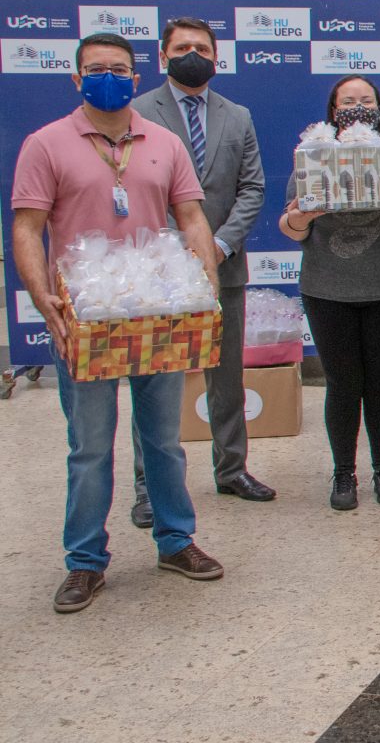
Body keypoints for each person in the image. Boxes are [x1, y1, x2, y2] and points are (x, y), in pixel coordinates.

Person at [11, 31, 225, 614]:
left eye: (119, 68)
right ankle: (84, 561)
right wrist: (42, 295)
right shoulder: (46, 144)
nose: (109, 76)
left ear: (136, 77)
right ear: (77, 80)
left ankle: (176, 541)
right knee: (90, 446)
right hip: (87, 320)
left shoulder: (164, 142)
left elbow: (191, 218)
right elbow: (28, 228)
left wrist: (204, 286)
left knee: (162, 440)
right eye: (96, 68)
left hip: (157, 313)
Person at [125, 17, 273, 532]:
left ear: (217, 57)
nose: (194, 54)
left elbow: (252, 188)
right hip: (158, 270)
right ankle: (150, 486)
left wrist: (218, 244)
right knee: (155, 383)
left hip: (224, 267)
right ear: (163, 54)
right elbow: (129, 190)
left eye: (202, 48)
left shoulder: (238, 115)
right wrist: (178, 246)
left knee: (226, 377)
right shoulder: (137, 112)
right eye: (182, 47)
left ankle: (232, 469)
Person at [280, 76, 380, 511]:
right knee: (343, 384)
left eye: (365, 100)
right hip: (327, 289)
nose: (357, 107)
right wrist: (303, 215)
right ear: (333, 111)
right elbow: (291, 227)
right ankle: (343, 473)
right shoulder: (311, 156)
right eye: (348, 101)